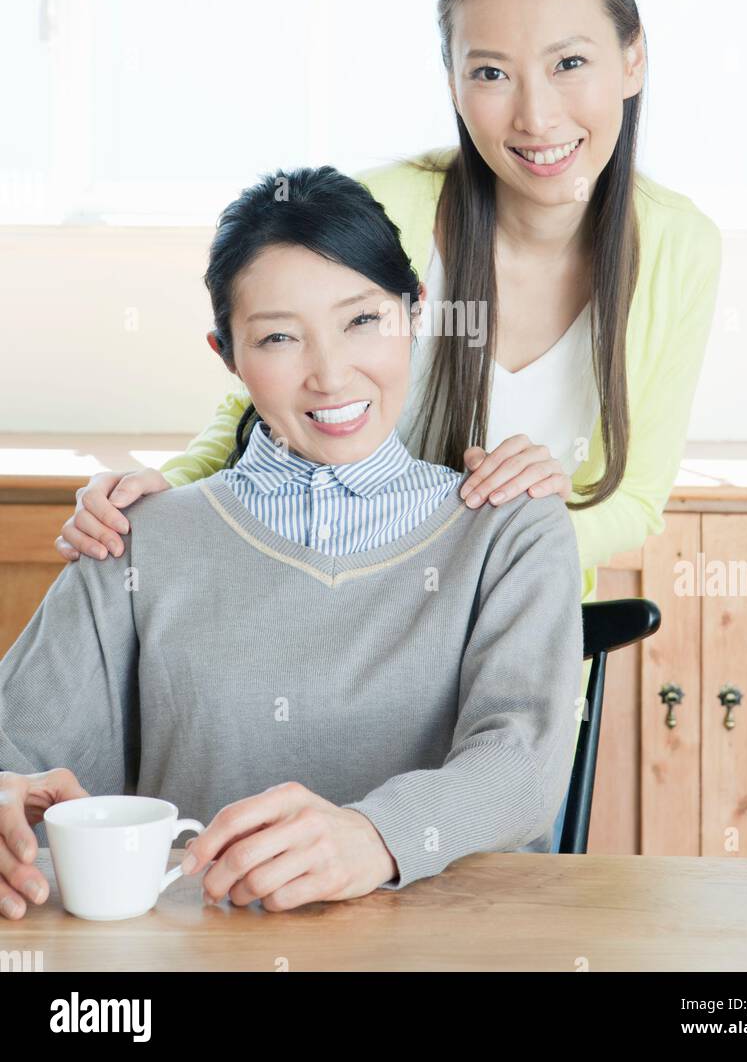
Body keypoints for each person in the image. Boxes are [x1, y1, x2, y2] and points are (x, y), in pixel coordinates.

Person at [52, 0, 722, 857]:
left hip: (482, 662)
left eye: (569, 62)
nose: (536, 115)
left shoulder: (679, 249)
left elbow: (639, 497)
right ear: (451, 80)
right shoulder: (391, 209)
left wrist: (506, 555)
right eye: (490, 71)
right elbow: (266, 395)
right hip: (308, 630)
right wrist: (154, 502)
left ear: (633, 58)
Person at [0, 167, 583, 920]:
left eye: (363, 321)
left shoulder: (510, 527)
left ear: (415, 314)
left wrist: (375, 836)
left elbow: (523, 768)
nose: (332, 373)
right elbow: (16, 753)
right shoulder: (134, 539)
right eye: (279, 337)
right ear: (228, 356)